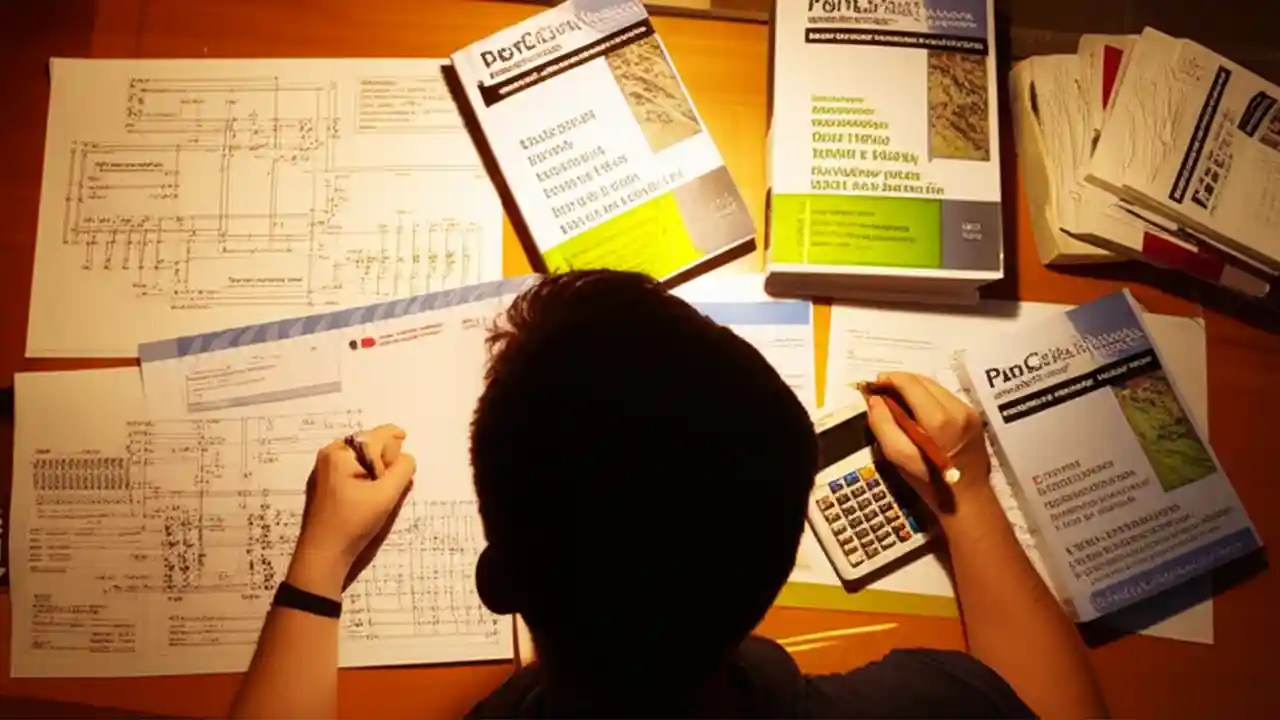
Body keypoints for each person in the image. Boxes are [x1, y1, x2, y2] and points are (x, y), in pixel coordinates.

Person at [230, 270, 1108, 719]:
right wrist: (968, 491)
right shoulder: (918, 710)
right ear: (773, 569)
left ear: (499, 580)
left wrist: (319, 563)